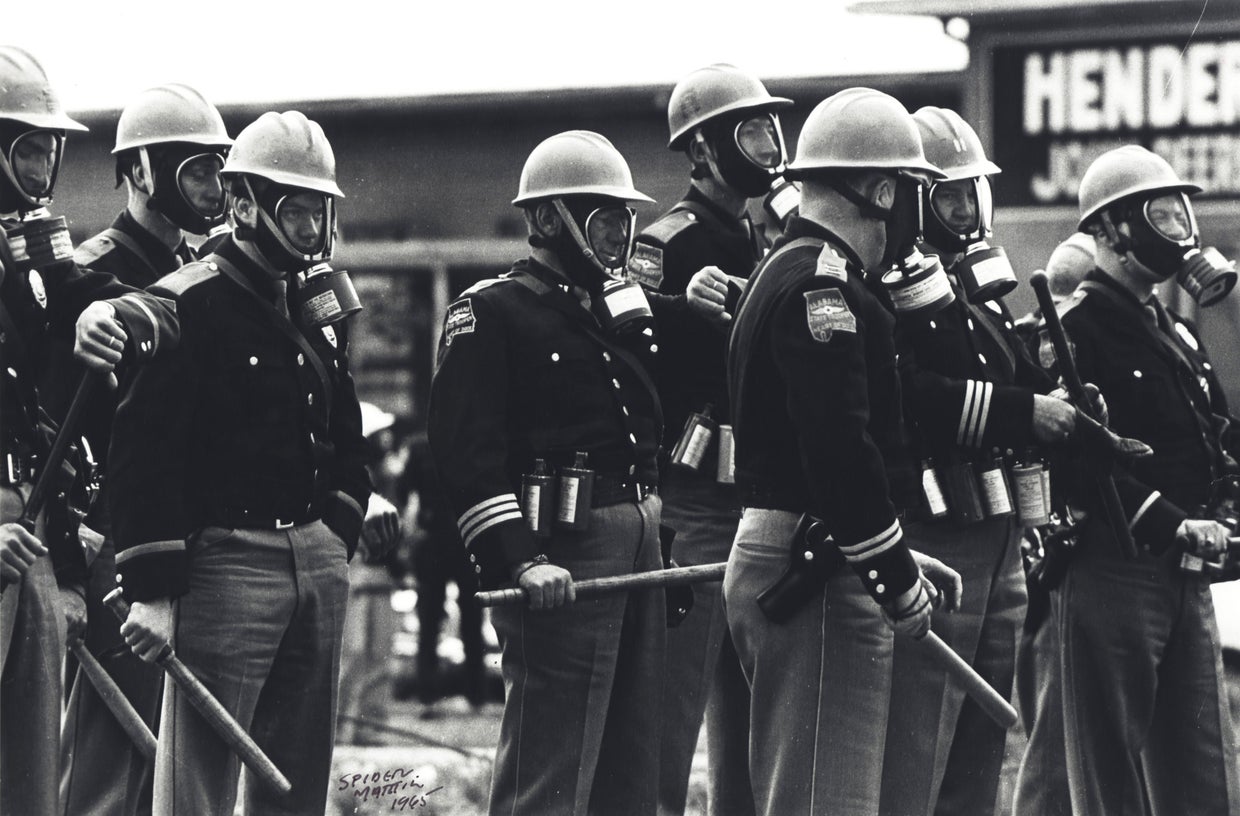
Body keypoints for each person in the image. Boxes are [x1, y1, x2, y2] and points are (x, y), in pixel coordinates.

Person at [110, 110, 372, 816]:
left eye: (321, 210)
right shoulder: (186, 303)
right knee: (197, 785)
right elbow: (143, 450)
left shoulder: (313, 303)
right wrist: (154, 590)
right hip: (227, 568)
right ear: (243, 203)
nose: (313, 231)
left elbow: (344, 430)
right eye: (296, 211)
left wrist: (334, 537)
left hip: (315, 562)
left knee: (297, 781)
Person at [723, 88, 961, 816]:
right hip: (815, 569)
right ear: (883, 190)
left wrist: (887, 557)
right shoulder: (822, 287)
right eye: (916, 191)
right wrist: (889, 568)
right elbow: (837, 452)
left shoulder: (794, 267)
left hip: (815, 552)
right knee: (826, 801)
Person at [428, 130, 666, 815]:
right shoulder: (493, 311)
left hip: (636, 543)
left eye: (624, 216)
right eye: (602, 216)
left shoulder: (612, 311)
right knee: (550, 769)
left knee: (631, 762)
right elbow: (464, 449)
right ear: (545, 219)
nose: (619, 232)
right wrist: (518, 561)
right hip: (561, 552)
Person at [1017, 145, 1240, 816]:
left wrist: (1225, 508)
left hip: (1186, 572)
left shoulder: (1173, 328)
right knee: (1104, 779)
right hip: (1114, 570)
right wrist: (1174, 521)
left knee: (1203, 770)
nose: (1181, 230)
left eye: (1181, 213)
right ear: (1112, 229)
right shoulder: (1073, 330)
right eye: (1161, 214)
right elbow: (1076, 462)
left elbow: (1212, 434)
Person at [877, 106, 1076, 816]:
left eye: (971, 194)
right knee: (920, 738)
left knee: (981, 736)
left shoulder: (975, 294)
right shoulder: (887, 287)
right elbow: (908, 394)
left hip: (997, 538)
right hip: (937, 532)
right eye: (949, 196)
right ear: (915, 201)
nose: (965, 211)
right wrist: (1028, 411)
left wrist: (1058, 391)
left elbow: (1015, 376)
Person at [0, 46, 175, 816]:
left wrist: (122, 312)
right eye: (26, 148)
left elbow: (107, 296)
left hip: (29, 530)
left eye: (47, 149)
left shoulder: (34, 253)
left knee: (30, 774)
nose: (41, 168)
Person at [57, 82, 232, 816]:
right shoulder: (82, 275)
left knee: (176, 769)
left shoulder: (218, 272)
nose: (212, 188)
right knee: (108, 769)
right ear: (138, 172)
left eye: (217, 168)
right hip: (116, 544)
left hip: (199, 544)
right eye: (193, 169)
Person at [628, 63, 792, 816]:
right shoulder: (670, 241)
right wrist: (671, 305)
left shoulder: (768, 240)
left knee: (753, 710)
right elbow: (616, 329)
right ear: (701, 149)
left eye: (770, 129)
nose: (769, 146)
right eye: (750, 131)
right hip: (694, 503)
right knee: (670, 711)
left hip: (757, 500)